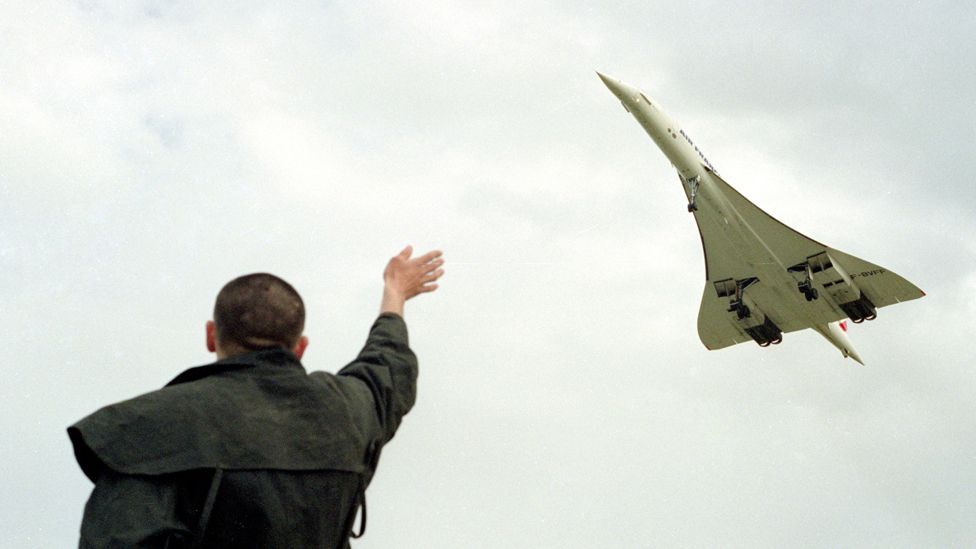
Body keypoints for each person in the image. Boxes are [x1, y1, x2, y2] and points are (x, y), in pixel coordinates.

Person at [67, 246, 444, 548]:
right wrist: (394, 295)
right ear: (300, 347)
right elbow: (387, 367)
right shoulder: (347, 410)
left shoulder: (144, 428)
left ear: (211, 335)